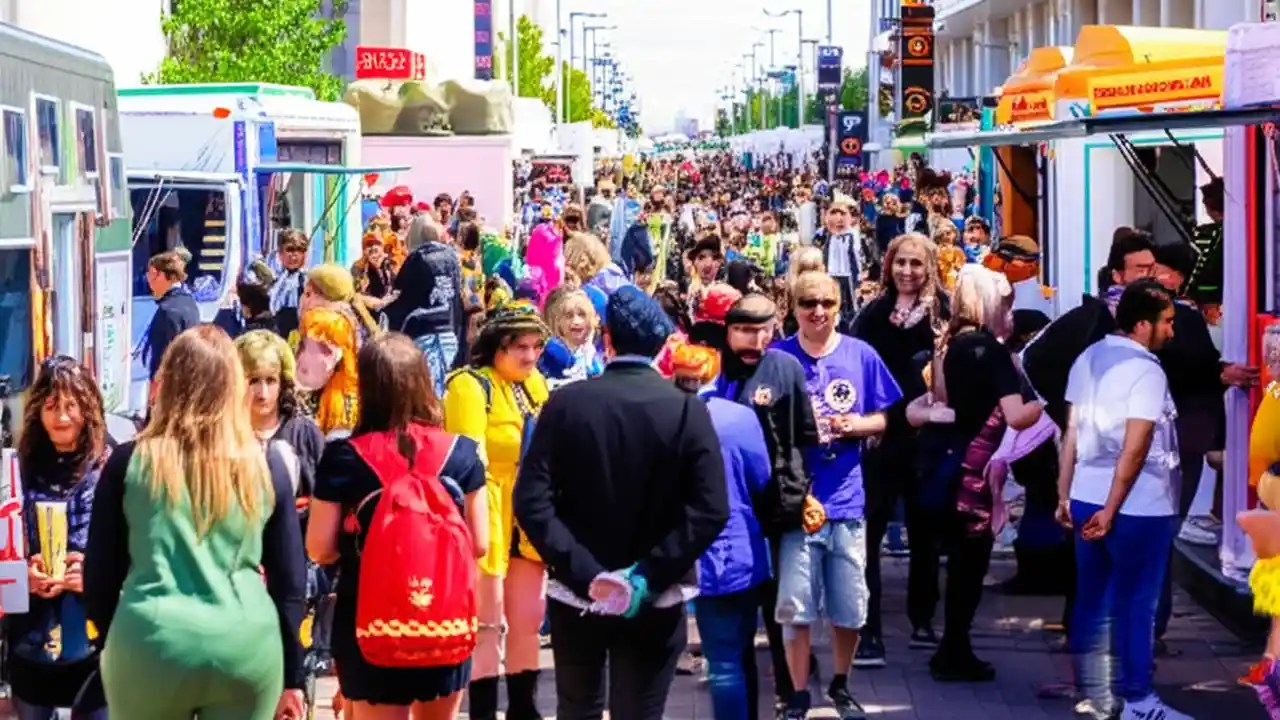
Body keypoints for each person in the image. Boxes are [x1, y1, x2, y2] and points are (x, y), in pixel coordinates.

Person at [514, 285, 728, 720]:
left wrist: (584, 572)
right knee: (641, 710)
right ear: (661, 344)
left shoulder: (566, 403)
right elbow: (710, 508)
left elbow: (532, 500)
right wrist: (646, 575)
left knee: (578, 707)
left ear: (607, 338)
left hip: (580, 596)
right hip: (654, 592)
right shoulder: (686, 409)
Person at [84, 325, 306, 720]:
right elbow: (290, 584)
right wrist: (294, 677)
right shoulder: (266, 463)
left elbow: (100, 577)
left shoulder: (129, 463)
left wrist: (112, 640)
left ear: (166, 383)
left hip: (151, 642)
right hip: (245, 645)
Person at [306, 333, 488, 720]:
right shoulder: (462, 453)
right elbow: (482, 542)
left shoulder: (344, 457)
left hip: (369, 620)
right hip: (443, 617)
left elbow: (319, 548)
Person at [1057, 279, 1191, 720]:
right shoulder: (1147, 370)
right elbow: (1136, 447)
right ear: (1141, 325)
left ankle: (1098, 694)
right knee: (1137, 603)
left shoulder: (1088, 357)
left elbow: (1071, 433)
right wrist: (1112, 509)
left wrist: (1064, 494)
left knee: (1093, 600)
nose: (1172, 330)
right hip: (1138, 506)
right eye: (1167, 322)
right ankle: (1136, 699)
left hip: (1085, 495)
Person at [774, 272, 902, 720]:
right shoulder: (778, 357)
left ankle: (841, 683)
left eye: (827, 302)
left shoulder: (860, 354)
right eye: (809, 302)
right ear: (793, 307)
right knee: (797, 607)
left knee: (850, 607)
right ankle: (797, 694)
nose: (819, 311)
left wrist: (856, 426)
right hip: (796, 504)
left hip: (847, 503)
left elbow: (885, 418)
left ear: (839, 305)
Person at [907, 264, 1042, 682]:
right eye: (1005, 303)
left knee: (957, 562)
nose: (1011, 312)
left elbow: (943, 401)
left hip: (943, 463)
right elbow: (1017, 416)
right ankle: (954, 650)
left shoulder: (948, 345)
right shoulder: (991, 350)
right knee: (970, 564)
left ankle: (951, 647)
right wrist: (1049, 402)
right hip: (976, 469)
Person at [710, 293, 820, 718]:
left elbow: (802, 436)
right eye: (743, 330)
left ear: (773, 331)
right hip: (729, 513)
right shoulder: (715, 370)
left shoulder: (785, 368)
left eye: (761, 330)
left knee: (782, 609)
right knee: (736, 616)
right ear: (728, 331)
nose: (752, 340)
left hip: (778, 508)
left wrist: (803, 492)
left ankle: (791, 694)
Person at [443, 302, 550, 720]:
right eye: (518, 347)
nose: (529, 356)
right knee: (487, 625)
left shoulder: (535, 384)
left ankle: (525, 708)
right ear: (495, 346)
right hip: (487, 509)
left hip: (529, 513)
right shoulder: (469, 386)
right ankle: (483, 711)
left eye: (535, 346)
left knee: (526, 618)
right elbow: (467, 464)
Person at [852, 233, 949, 665]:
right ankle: (867, 627)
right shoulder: (872, 313)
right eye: (900, 262)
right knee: (868, 534)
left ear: (930, 266)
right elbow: (854, 368)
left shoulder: (944, 313)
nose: (907, 271)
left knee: (927, 531)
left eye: (916, 263)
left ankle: (923, 618)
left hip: (928, 440)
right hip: (881, 435)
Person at [668, 340, 771, 720]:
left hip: (690, 552)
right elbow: (762, 478)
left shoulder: (666, 417)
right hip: (739, 550)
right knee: (735, 654)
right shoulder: (739, 417)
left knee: (724, 661)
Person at [9, 356, 109, 719]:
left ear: (88, 409)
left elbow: (132, 550)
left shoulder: (110, 466)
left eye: (71, 406)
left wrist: (93, 577)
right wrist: (24, 575)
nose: (62, 416)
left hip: (93, 640)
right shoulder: (18, 470)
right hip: (32, 638)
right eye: (52, 406)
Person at [384, 215, 469, 396]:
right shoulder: (452, 256)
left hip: (422, 332)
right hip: (449, 330)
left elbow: (402, 296)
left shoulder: (416, 259)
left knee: (426, 388)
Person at [144, 250, 201, 381]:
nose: (149, 282)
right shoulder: (189, 302)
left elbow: (165, 358)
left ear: (167, 276)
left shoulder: (168, 311)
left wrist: (155, 387)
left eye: (153, 276)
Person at [270, 228, 311, 340]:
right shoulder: (275, 279)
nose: (294, 255)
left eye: (300, 250)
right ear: (280, 253)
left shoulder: (309, 280)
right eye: (290, 250)